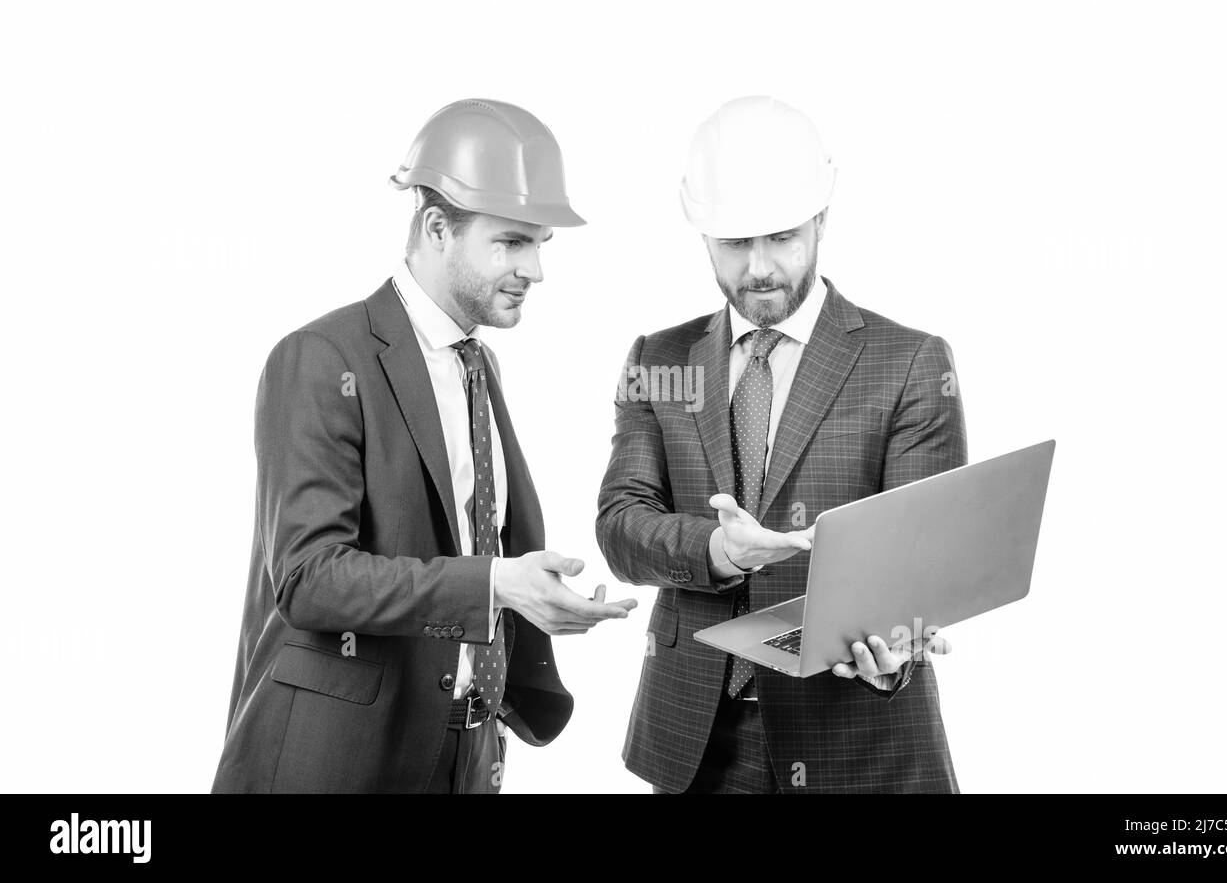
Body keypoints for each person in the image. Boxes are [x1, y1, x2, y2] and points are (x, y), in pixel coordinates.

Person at [214, 99, 635, 793]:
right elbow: (309, 578)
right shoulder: (321, 358)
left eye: (540, 245)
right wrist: (496, 585)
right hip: (342, 761)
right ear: (438, 228)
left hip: (466, 751)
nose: (535, 270)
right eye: (511, 242)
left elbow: (466, 541)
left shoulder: (478, 367)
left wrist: (526, 599)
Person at [596, 96, 961, 793]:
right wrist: (718, 549)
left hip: (856, 736)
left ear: (822, 217)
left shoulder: (908, 362)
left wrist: (895, 650)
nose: (760, 267)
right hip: (698, 744)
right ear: (699, 231)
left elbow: (927, 565)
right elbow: (620, 526)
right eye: (734, 243)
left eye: (782, 237)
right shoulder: (658, 358)